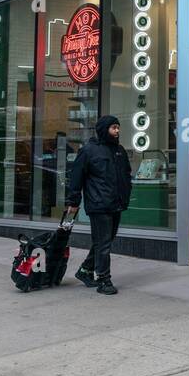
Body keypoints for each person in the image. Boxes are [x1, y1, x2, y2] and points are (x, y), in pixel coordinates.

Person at [67, 115, 133, 295]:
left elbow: (126, 175)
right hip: (98, 204)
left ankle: (85, 270)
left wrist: (126, 194)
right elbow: (76, 177)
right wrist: (73, 202)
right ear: (104, 129)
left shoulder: (119, 150)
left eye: (118, 127)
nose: (117, 131)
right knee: (103, 243)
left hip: (116, 203)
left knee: (104, 241)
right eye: (113, 127)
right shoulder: (89, 151)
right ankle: (104, 280)